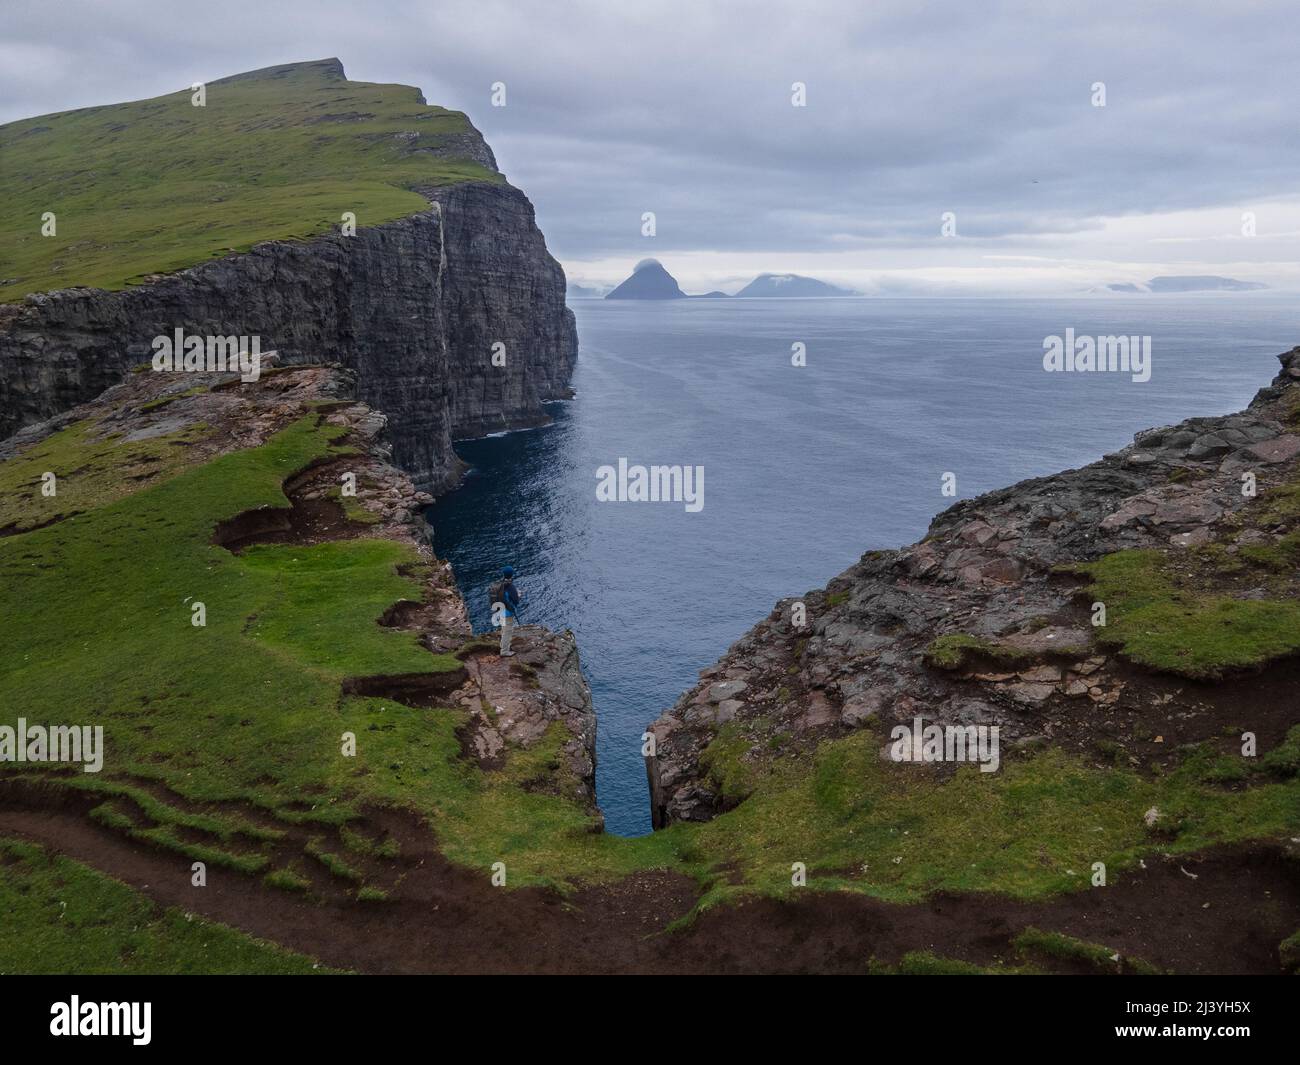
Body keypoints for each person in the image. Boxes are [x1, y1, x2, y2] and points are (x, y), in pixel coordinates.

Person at [495, 565, 521, 657]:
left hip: (499, 611)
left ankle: (503, 646)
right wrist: (519, 595)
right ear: (511, 575)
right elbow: (516, 601)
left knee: (504, 629)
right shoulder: (510, 587)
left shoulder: (499, 584)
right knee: (507, 632)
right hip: (507, 613)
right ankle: (505, 651)